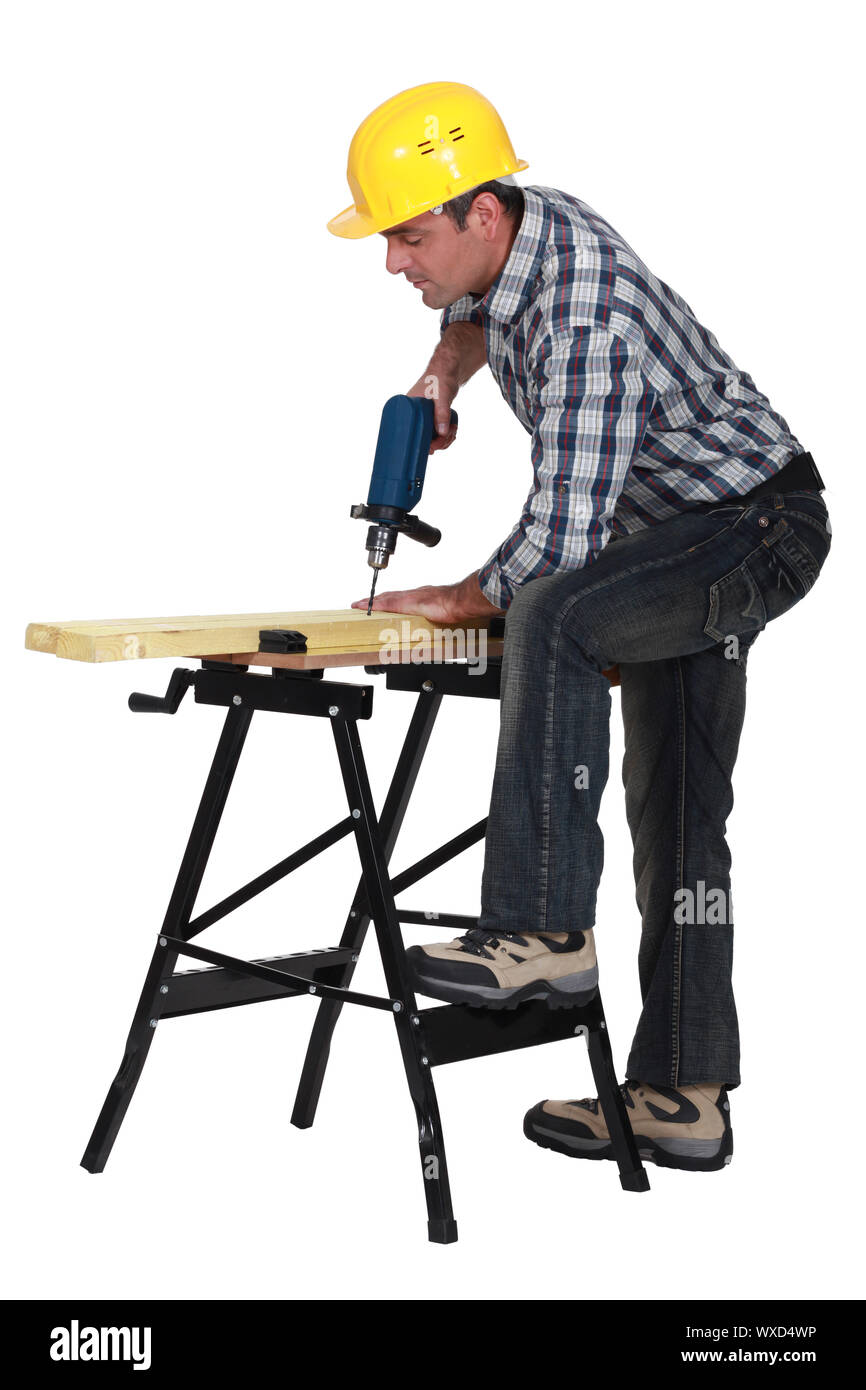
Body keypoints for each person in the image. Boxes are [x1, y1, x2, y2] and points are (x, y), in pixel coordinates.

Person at [331, 82, 833, 1173]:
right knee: (682, 824)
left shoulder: (582, 316)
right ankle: (683, 1099)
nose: (391, 263)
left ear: (479, 213)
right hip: (678, 541)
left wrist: (459, 593)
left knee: (550, 611)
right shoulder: (524, 230)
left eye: (408, 235)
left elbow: (559, 546)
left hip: (750, 529)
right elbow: (468, 310)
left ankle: (541, 934)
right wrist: (439, 375)